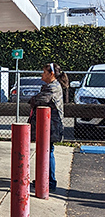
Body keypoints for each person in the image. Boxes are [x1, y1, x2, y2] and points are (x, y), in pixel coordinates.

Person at [28, 61, 68, 190]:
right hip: (47, 126)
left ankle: (50, 182)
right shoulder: (51, 86)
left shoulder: (53, 87)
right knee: (46, 151)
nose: (42, 75)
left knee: (48, 151)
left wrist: (33, 99)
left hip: (51, 127)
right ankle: (44, 178)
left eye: (44, 72)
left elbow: (39, 100)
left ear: (51, 74)